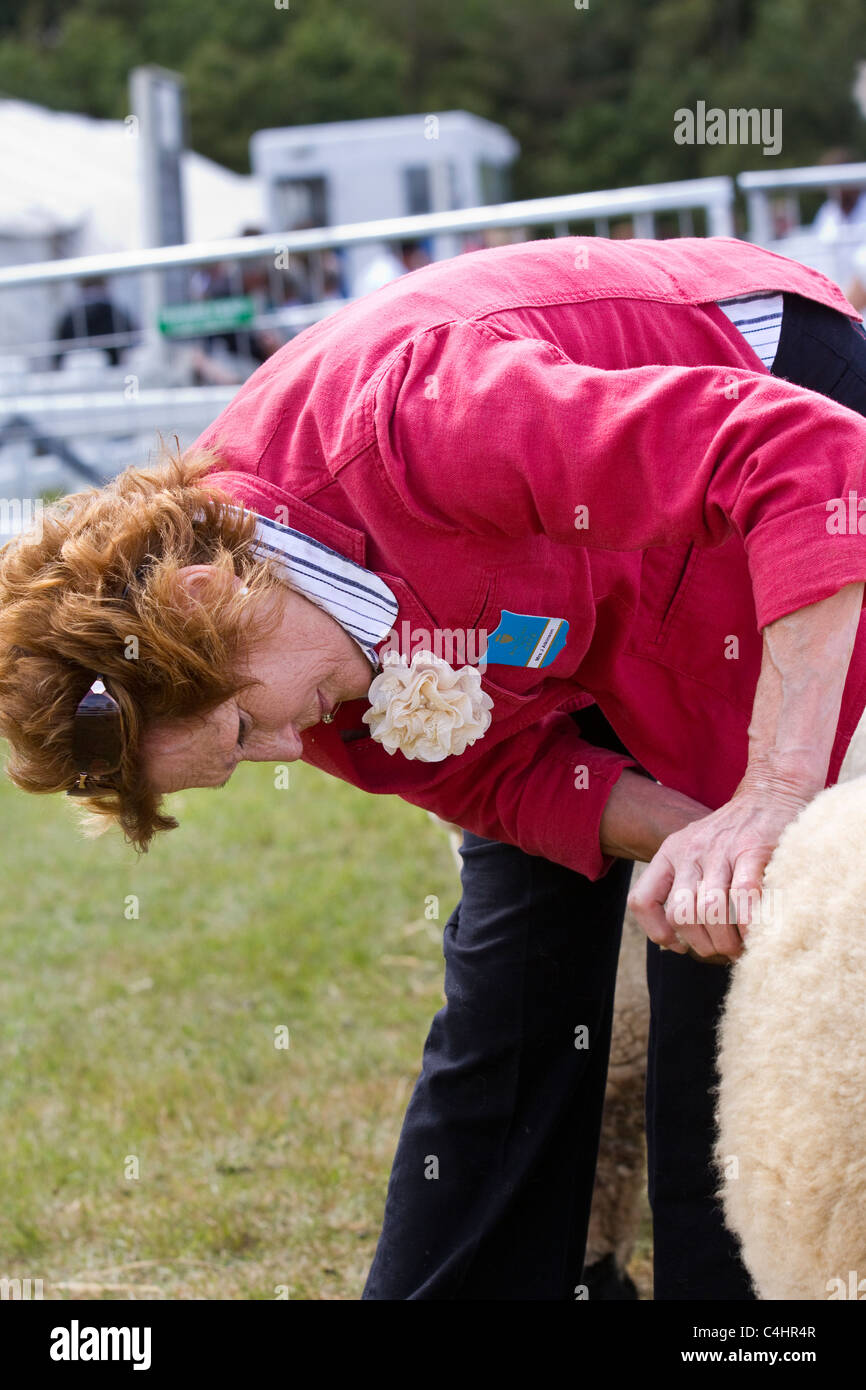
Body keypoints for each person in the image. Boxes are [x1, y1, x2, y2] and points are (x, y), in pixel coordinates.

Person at [3, 235, 866, 1301]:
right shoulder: (289, 658)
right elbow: (509, 786)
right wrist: (697, 838)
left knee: (725, 974)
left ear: (199, 599)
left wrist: (770, 804)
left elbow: (810, 464)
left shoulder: (422, 419)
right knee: (516, 980)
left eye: (240, 731)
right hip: (559, 616)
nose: (287, 754)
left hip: (771, 399)